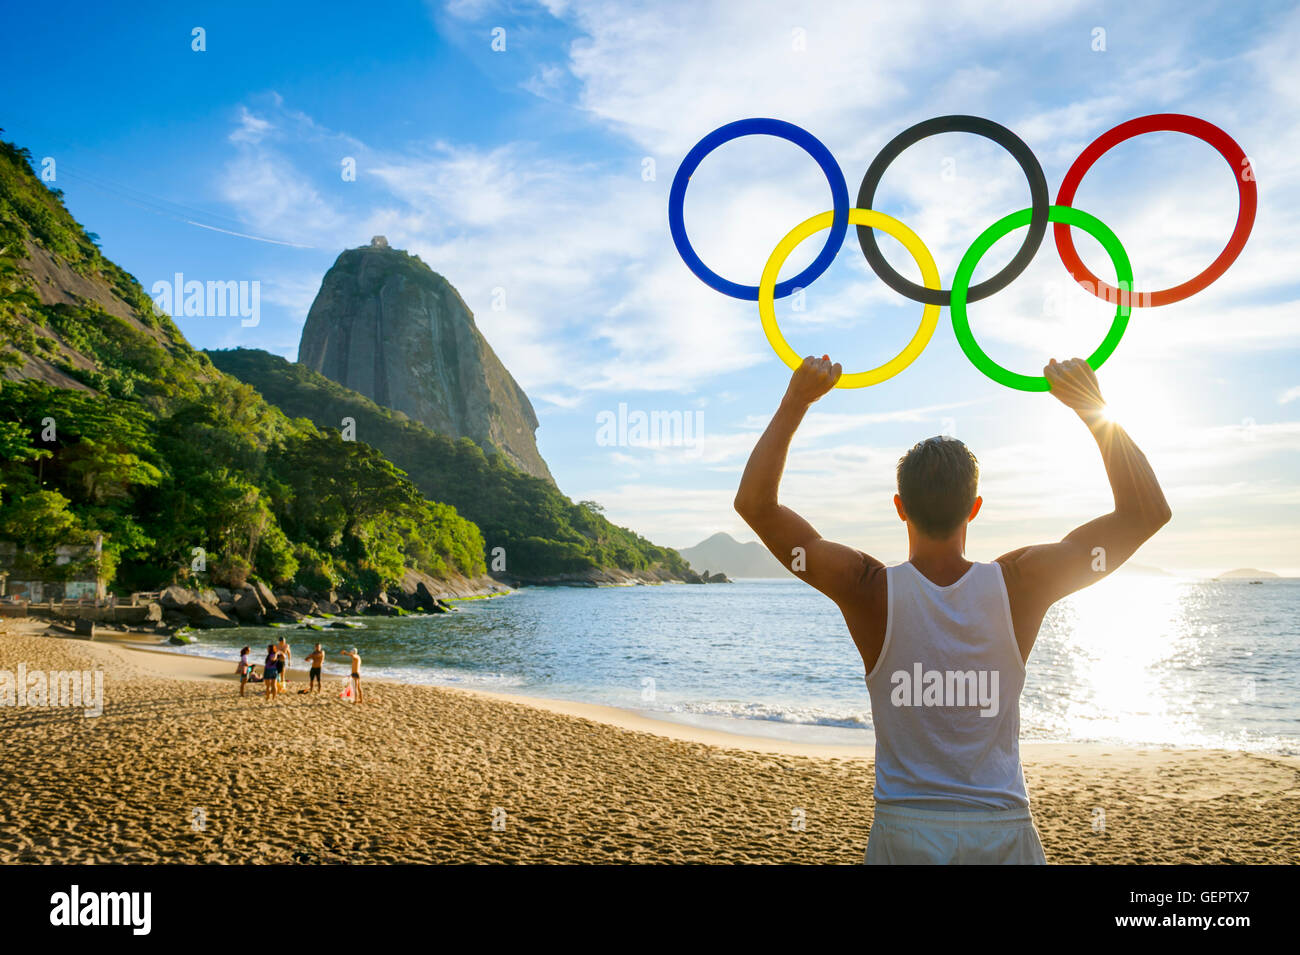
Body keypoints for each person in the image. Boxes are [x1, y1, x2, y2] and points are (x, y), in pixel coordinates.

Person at [734, 355, 1171, 865]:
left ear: (899, 507)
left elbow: (756, 506)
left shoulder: (868, 589)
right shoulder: (1021, 584)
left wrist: (796, 401)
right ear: (975, 507)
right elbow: (1147, 513)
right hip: (1001, 827)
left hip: (905, 830)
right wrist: (1091, 406)